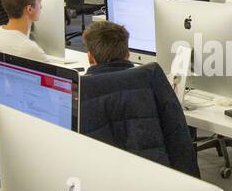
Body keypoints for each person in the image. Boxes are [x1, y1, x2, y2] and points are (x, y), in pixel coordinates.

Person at [79, 20, 198, 177]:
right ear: (128, 54)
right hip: (157, 180)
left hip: (105, 183)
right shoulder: (151, 76)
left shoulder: (80, 89)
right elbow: (179, 138)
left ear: (90, 57)